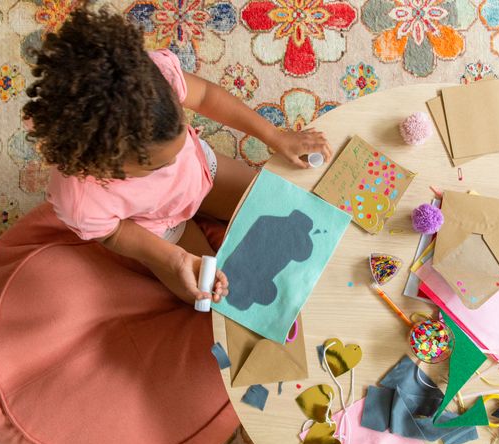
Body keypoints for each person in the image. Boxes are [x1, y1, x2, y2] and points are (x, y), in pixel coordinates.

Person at [23, 7, 331, 304]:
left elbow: (208, 96)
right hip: (158, 226)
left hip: (203, 172)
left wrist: (275, 136)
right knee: (219, 294)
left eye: (180, 133)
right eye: (159, 164)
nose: (172, 162)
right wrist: (173, 259)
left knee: (285, 205)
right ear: (105, 167)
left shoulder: (151, 81)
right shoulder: (79, 199)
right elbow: (115, 234)